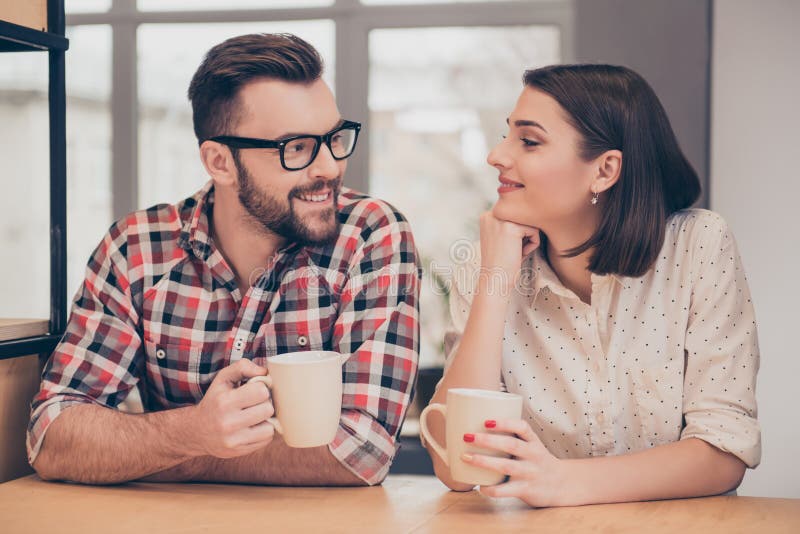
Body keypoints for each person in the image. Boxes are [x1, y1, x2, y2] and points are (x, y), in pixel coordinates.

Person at [28, 33, 420, 487]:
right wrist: (193, 432)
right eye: (296, 147)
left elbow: (362, 452)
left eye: (334, 138)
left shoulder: (370, 235)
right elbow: (52, 437)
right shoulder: (136, 249)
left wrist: (177, 446)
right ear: (220, 162)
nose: (330, 167)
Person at [425, 64, 760, 506]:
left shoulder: (698, 245)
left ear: (604, 170)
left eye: (529, 141)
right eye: (507, 135)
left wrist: (563, 482)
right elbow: (458, 467)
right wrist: (494, 283)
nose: (496, 156)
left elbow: (723, 451)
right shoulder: (490, 263)